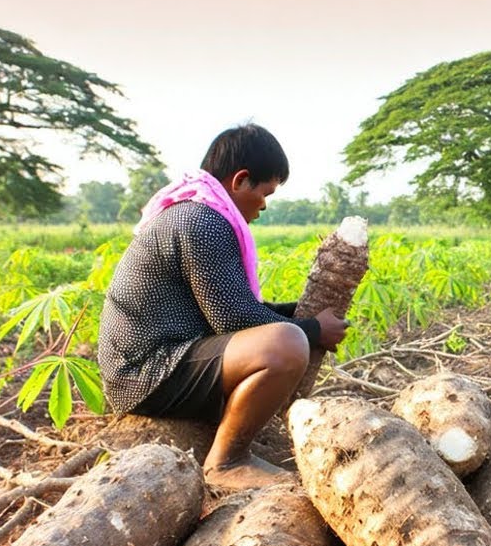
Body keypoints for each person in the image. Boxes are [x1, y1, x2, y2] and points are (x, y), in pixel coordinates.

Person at [98, 124, 348, 489]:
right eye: (265, 193)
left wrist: (301, 315)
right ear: (240, 180)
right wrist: (311, 330)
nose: (264, 206)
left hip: (161, 359)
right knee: (288, 345)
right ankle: (227, 462)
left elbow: (236, 305)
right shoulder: (203, 222)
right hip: (144, 372)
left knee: (288, 333)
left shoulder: (196, 213)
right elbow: (234, 318)